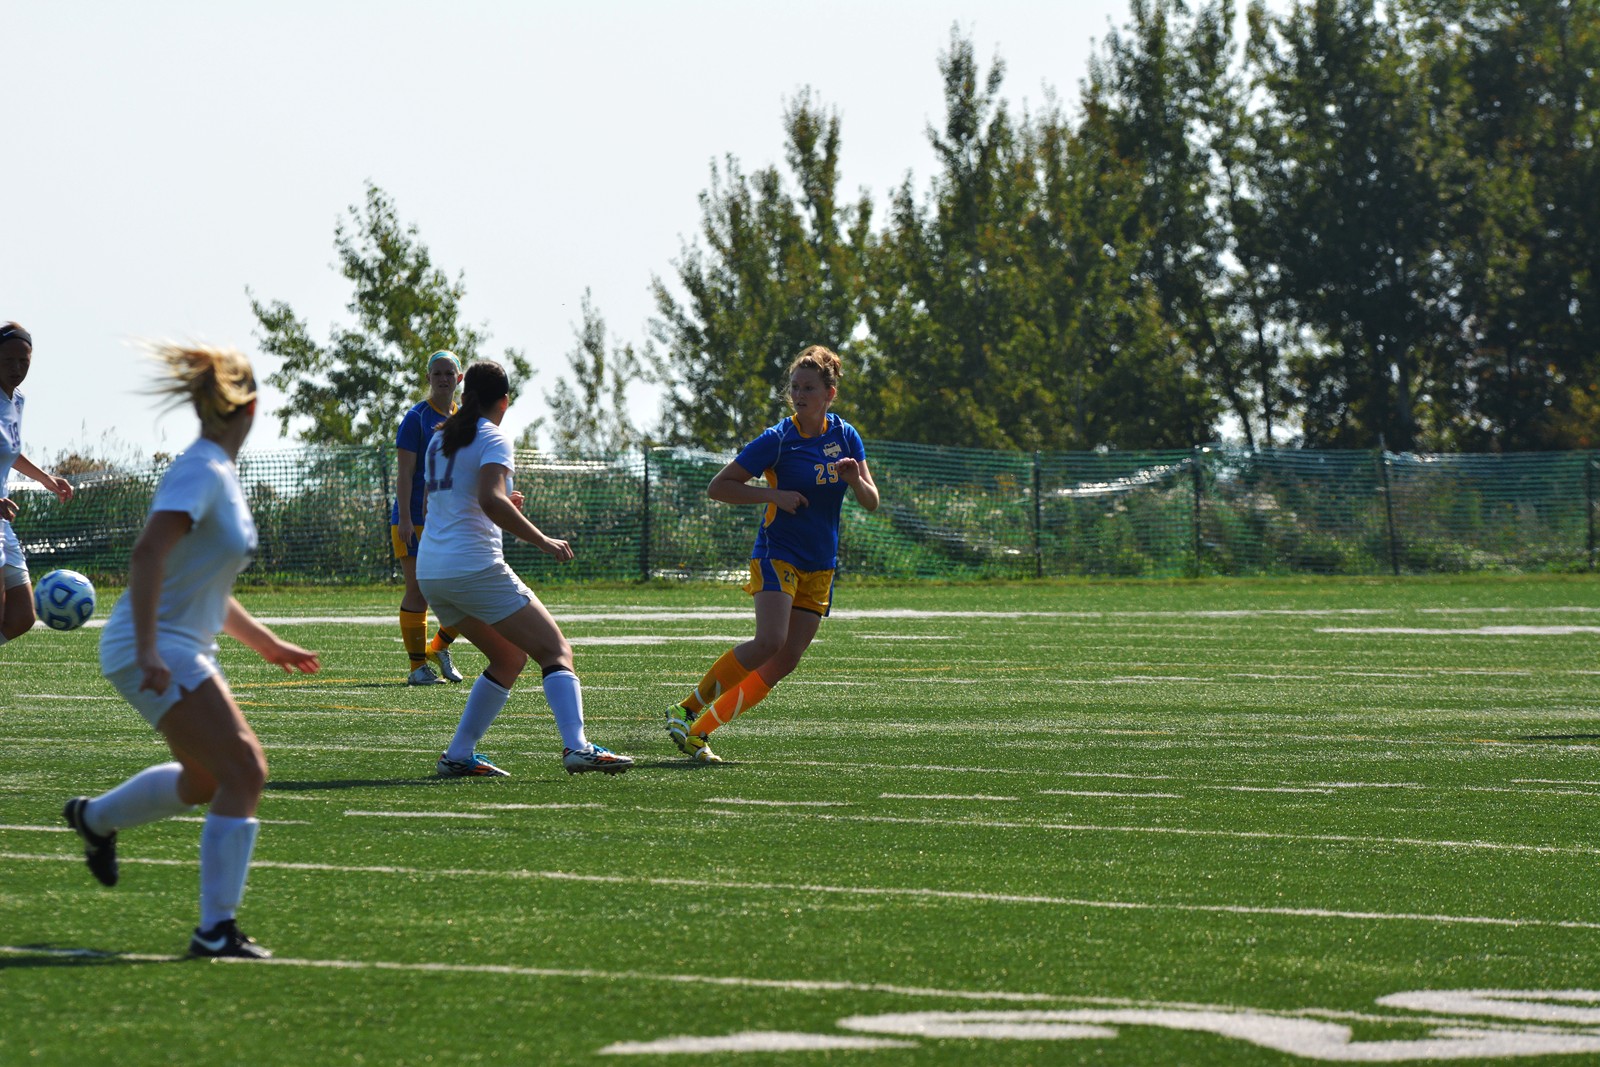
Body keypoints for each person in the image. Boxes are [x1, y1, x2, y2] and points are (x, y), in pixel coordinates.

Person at [63, 342, 320, 959]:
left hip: (178, 645)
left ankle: (94, 819)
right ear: (251, 407)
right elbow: (148, 553)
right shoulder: (201, 470)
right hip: (155, 646)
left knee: (205, 779)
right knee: (246, 769)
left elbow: (203, 582)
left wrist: (266, 643)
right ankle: (215, 930)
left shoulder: (218, 474)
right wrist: (150, 649)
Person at [416, 360, 632, 777]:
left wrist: (500, 508)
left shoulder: (439, 438)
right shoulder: (492, 435)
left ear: (464, 394)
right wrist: (543, 540)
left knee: (508, 657)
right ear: (505, 401)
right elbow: (490, 500)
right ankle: (578, 747)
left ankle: (458, 754)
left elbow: (445, 503)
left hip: (433, 571)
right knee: (556, 651)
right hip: (472, 567)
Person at [666, 345, 879, 763]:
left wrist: (855, 480)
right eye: (794, 387)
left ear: (829, 393)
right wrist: (773, 495)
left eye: (808, 388)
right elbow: (719, 487)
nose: (799, 394)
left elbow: (871, 501)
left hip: (821, 563)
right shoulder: (778, 439)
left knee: (784, 661)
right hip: (777, 552)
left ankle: (699, 733)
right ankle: (685, 709)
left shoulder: (845, 435)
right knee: (769, 641)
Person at [0, 322, 76, 649]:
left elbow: (9, 449)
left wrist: (46, 478)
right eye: (8, 360)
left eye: (24, 361)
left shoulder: (17, 400)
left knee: (22, 616)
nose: (17, 368)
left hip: (2, 524)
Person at [394, 350, 466, 685]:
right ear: (428, 378)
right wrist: (405, 520)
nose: (443, 379)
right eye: (437, 373)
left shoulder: (463, 418)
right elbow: (405, 474)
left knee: (463, 589)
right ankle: (416, 668)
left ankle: (438, 647)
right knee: (418, 591)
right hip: (414, 517)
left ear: (459, 378)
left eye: (449, 373)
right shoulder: (415, 418)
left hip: (448, 517)